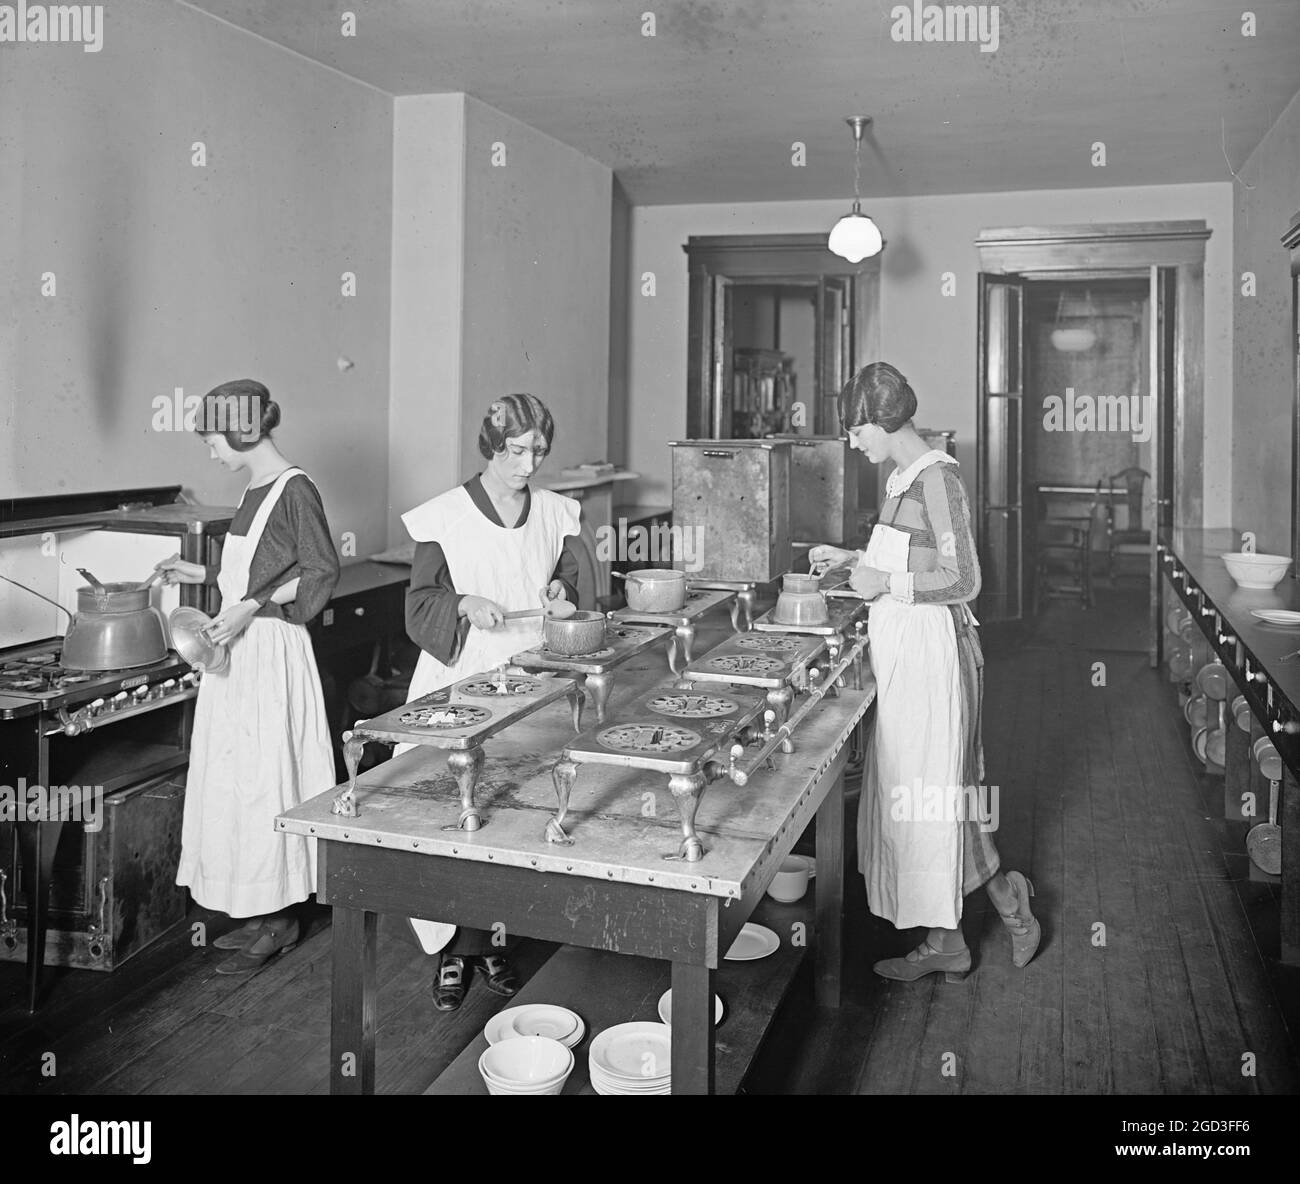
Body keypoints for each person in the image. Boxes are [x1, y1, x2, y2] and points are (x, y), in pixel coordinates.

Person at [809, 362, 1040, 980]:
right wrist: (853, 557)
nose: (853, 443)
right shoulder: (901, 479)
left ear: (882, 423)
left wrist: (880, 579)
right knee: (916, 797)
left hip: (937, 656)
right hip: (904, 657)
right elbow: (920, 556)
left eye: (856, 431)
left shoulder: (938, 478)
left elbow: (964, 579)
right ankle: (948, 940)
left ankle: (1006, 909)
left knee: (940, 798)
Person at [398, 393, 581, 1009]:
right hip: (461, 677)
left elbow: (576, 582)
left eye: (538, 452)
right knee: (455, 806)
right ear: (490, 446)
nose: (529, 465)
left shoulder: (556, 512)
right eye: (516, 451)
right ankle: (453, 947)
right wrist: (462, 604)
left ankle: (495, 939)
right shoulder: (444, 517)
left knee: (515, 806)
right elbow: (420, 604)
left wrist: (562, 592)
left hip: (532, 677)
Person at [159, 380, 339, 975]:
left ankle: (283, 916)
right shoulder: (255, 488)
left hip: (271, 653)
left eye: (213, 440)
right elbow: (255, 572)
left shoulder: (295, 488)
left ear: (242, 430)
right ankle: (261, 912)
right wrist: (200, 571)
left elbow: (318, 573)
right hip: (241, 649)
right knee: (237, 780)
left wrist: (253, 606)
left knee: (268, 777)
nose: (211, 453)